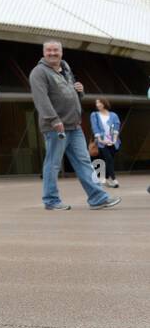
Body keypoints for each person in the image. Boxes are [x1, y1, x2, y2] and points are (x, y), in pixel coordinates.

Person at [28, 40, 120, 211]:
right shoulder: (38, 73)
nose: (52, 53)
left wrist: (80, 91)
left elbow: (72, 96)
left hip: (74, 126)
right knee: (53, 164)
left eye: (56, 50)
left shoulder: (66, 68)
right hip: (56, 127)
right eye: (49, 50)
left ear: (61, 52)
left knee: (84, 162)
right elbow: (42, 100)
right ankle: (51, 200)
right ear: (43, 52)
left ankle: (98, 198)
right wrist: (54, 120)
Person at [89, 99, 121, 189]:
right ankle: (114, 180)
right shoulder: (94, 115)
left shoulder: (113, 115)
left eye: (99, 102)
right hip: (101, 142)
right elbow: (95, 127)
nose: (97, 104)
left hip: (113, 141)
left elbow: (116, 127)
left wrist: (114, 140)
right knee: (109, 159)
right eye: (96, 103)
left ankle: (105, 179)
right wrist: (100, 140)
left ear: (104, 103)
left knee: (109, 161)